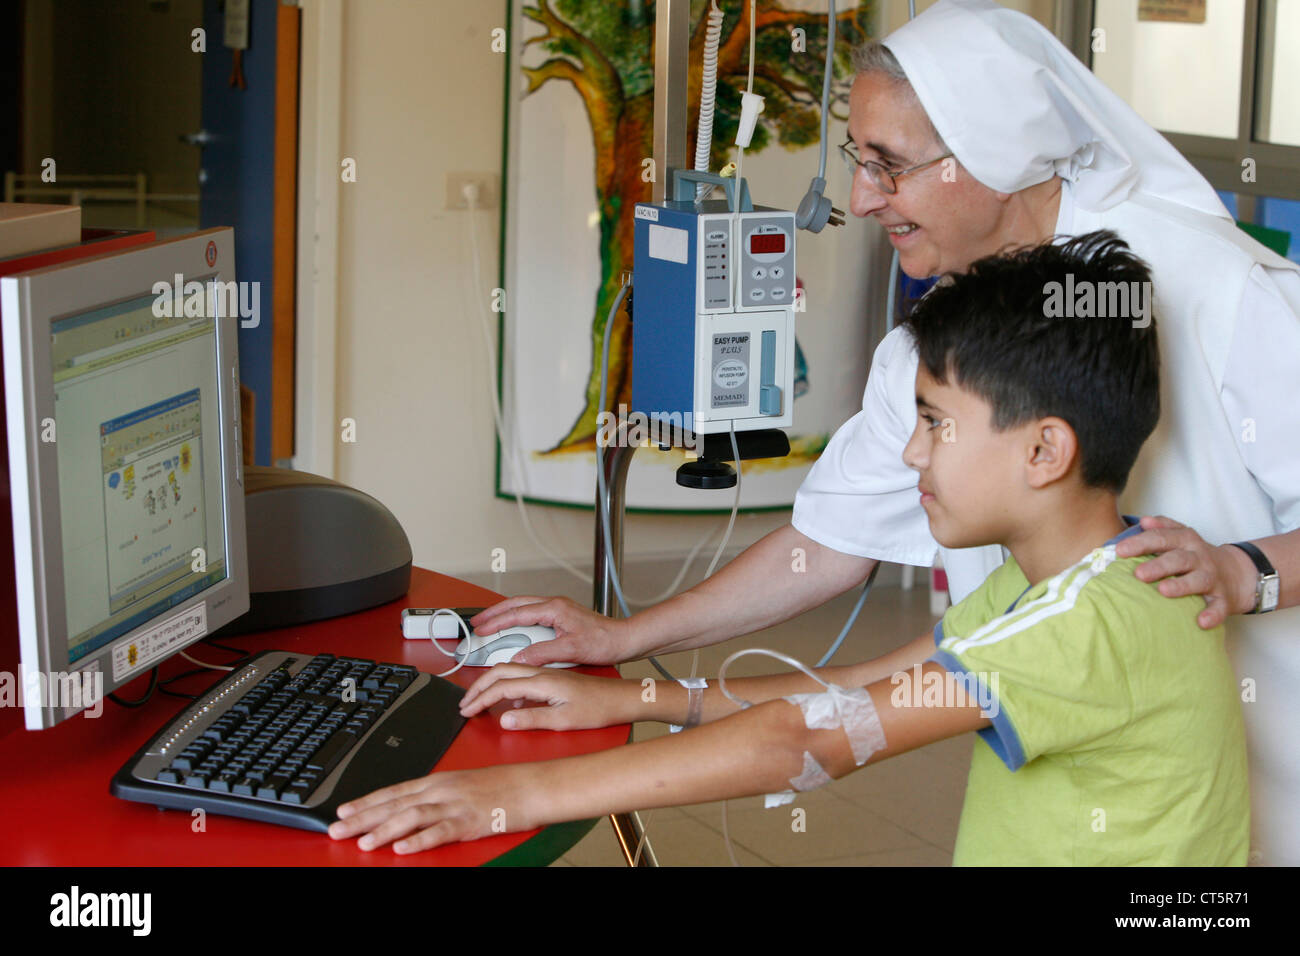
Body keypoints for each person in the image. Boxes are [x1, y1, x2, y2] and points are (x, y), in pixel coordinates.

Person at [459, 0, 1300, 866]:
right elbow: (831, 556)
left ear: (993, 157)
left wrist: (1248, 571)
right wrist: (624, 652)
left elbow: (812, 739)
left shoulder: (1222, 294)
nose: (860, 198)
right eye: (858, 161)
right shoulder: (952, 363)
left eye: (888, 166)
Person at [329, 232, 1249, 864]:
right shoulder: (1071, 578)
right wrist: (630, 695)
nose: (911, 451)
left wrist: (517, 797)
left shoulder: (1084, 622)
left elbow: (808, 739)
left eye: (935, 423)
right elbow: (855, 689)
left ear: (1046, 450)